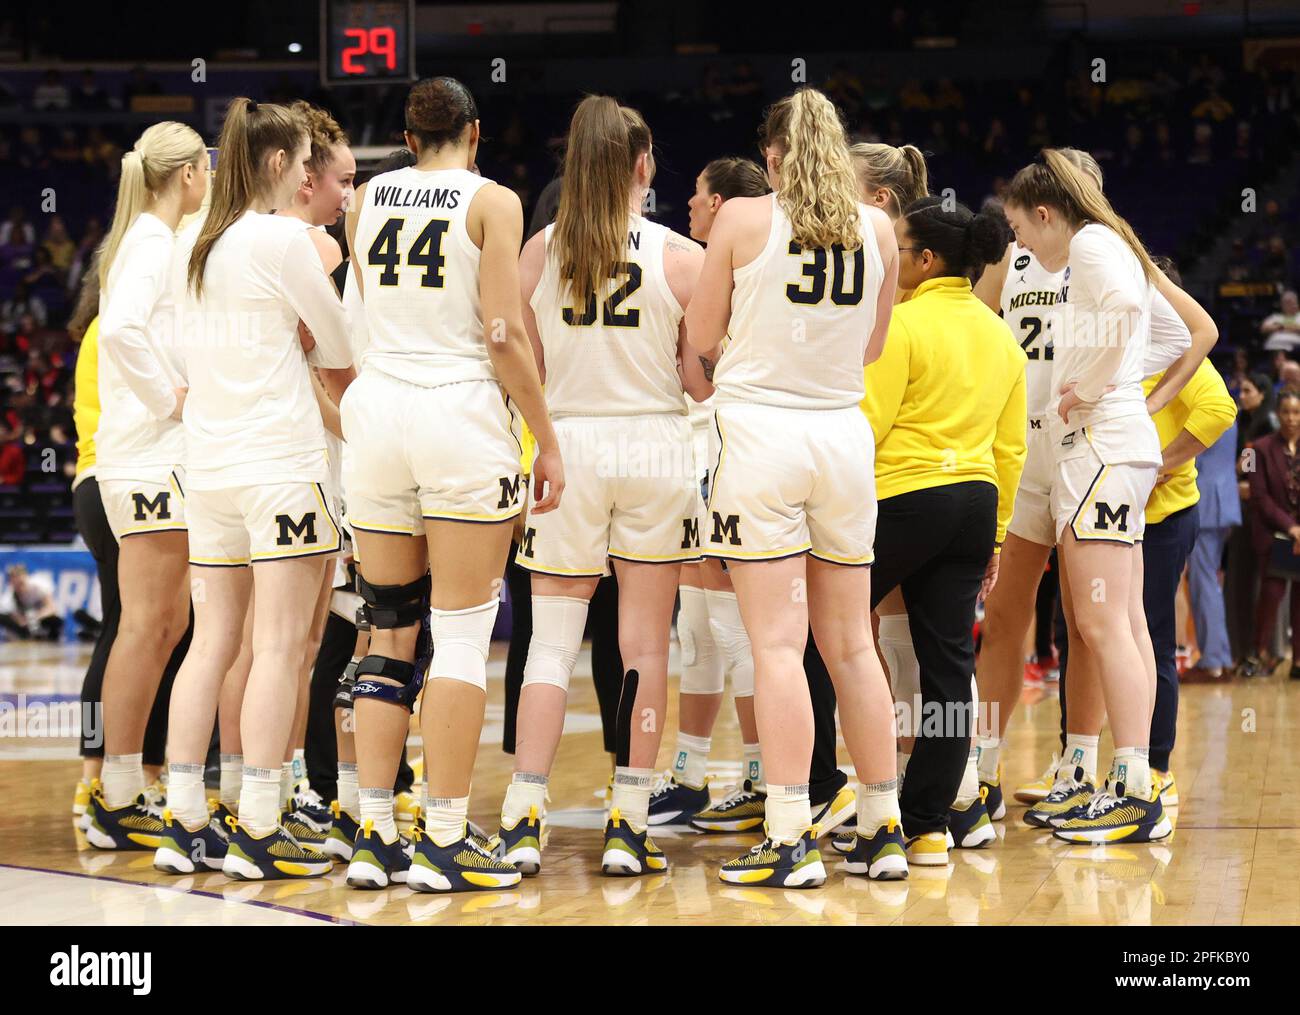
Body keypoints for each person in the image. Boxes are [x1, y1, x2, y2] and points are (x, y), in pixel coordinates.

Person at [344, 77, 561, 893]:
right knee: (463, 632)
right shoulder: (493, 201)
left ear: (406, 134)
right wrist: (547, 436)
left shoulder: (364, 201)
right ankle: (443, 835)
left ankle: (373, 830)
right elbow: (502, 335)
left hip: (379, 414)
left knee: (387, 626)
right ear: (475, 132)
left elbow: (367, 309)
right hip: (456, 412)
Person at [687, 87, 904, 887]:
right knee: (852, 644)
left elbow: (702, 337)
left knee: (777, 645)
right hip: (843, 438)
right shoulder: (880, 226)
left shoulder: (742, 219)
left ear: (772, 154)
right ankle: (884, 825)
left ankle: (788, 835)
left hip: (761, 438)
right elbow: (874, 344)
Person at [496, 95, 709, 877]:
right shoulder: (682, 257)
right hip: (657, 445)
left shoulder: (537, 252)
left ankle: (523, 815)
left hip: (569, 445)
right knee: (645, 648)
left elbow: (527, 372)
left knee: (549, 645)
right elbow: (698, 382)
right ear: (644, 167)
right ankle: (631, 819)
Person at [157, 98, 354, 880]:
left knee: (210, 644)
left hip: (207, 467)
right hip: (281, 463)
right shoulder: (283, 239)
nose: (310, 173)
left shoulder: (188, 243)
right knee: (277, 648)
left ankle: (184, 817)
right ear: (278, 164)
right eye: (305, 161)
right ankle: (263, 824)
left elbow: (176, 359)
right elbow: (339, 344)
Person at [1002, 149, 1186, 843]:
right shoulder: (1106, 243)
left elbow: (1130, 306)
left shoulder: (1091, 242)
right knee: (1126, 625)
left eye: (1020, 228)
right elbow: (1167, 331)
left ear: (1046, 214)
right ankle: (1132, 780)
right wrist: (1118, 377)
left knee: (1107, 626)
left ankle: (1134, 790)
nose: (1018, 242)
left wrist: (1094, 386)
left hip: (1102, 450)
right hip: (1118, 447)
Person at [845, 196, 1026, 865]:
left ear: (924, 259)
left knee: (821, 634)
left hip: (902, 499)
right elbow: (1011, 449)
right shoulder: (1001, 334)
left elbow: (868, 423)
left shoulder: (901, 325)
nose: (888, 250)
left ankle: (822, 792)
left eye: (897, 242)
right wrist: (999, 532)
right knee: (950, 665)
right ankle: (926, 824)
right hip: (975, 504)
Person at [82, 121, 208, 853]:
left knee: (160, 625)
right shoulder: (150, 244)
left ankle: (125, 785)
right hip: (146, 457)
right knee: (145, 625)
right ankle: (116, 792)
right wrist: (172, 399)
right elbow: (123, 329)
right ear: (188, 173)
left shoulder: (152, 240)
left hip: (159, 457)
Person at [650, 155, 771, 831]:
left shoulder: (723, 270)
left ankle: (760, 773)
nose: (688, 205)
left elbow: (703, 379)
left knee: (734, 630)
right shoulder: (704, 263)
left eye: (697, 195)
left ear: (721, 204)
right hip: (700, 452)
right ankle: (691, 772)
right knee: (698, 629)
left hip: (724, 450)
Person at [1242, 390, 1300, 680]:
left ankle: (1298, 662)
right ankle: (1257, 653)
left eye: (1296, 412)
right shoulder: (1260, 448)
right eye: (1286, 412)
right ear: (1278, 414)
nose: (1291, 418)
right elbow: (1260, 497)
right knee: (1271, 594)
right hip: (1273, 534)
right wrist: (1291, 527)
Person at [1184, 421, 1240, 683]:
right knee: (1206, 582)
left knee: (1204, 582)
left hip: (1207, 502)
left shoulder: (1204, 402)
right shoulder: (1221, 398)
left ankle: (1214, 661)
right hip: (1218, 500)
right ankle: (1217, 657)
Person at [0, 564, 62, 641]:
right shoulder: (9, 595)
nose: (17, 581)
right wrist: (23, 621)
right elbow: (15, 617)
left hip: (40, 618)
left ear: (26, 576)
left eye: (19, 577)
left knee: (56, 621)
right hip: (25, 622)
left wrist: (35, 617)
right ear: (11, 581)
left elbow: (51, 608)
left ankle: (51, 639)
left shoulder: (38, 586)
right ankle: (25, 636)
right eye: (13, 578)